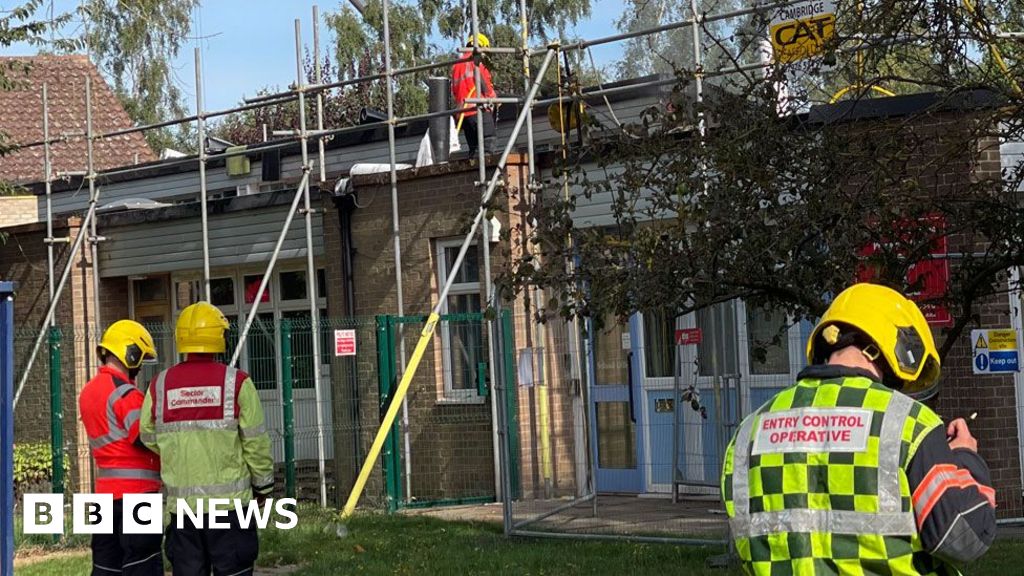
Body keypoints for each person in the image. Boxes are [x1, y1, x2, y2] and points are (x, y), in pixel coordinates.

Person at [721, 283, 996, 575]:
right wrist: (966, 459)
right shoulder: (909, 423)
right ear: (894, 344)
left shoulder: (748, 431)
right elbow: (964, 537)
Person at [140, 301, 273, 576]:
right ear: (218, 337)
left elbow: (148, 435)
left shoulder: (159, 385)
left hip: (183, 513)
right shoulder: (237, 383)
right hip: (230, 511)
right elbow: (256, 444)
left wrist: (178, 450)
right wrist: (264, 488)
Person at [78, 320, 163, 576]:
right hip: (138, 495)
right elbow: (146, 438)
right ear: (131, 353)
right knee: (143, 563)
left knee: (106, 566)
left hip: (104, 495)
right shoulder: (126, 393)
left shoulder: (87, 392)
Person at [452, 32, 498, 155]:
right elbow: (484, 82)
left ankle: (476, 172)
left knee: (474, 148)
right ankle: (487, 174)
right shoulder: (477, 60)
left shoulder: (457, 65)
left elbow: (455, 91)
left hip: (464, 114)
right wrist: (493, 98)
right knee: (488, 144)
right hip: (479, 110)